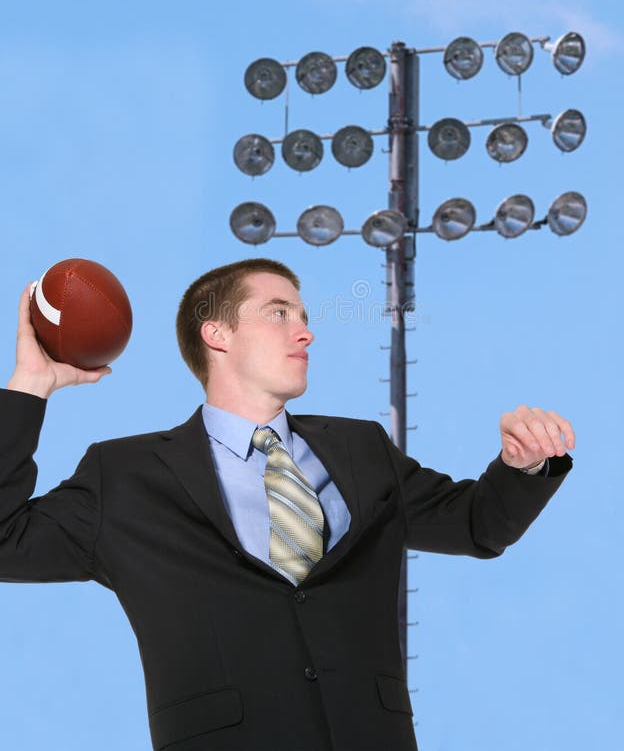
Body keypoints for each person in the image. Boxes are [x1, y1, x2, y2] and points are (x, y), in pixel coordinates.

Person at [0, 258, 574, 751]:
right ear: (217, 334)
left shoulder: (362, 448)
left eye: (303, 316)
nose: (305, 333)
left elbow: (477, 524)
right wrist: (31, 383)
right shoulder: (126, 476)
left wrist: (524, 465)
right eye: (279, 313)